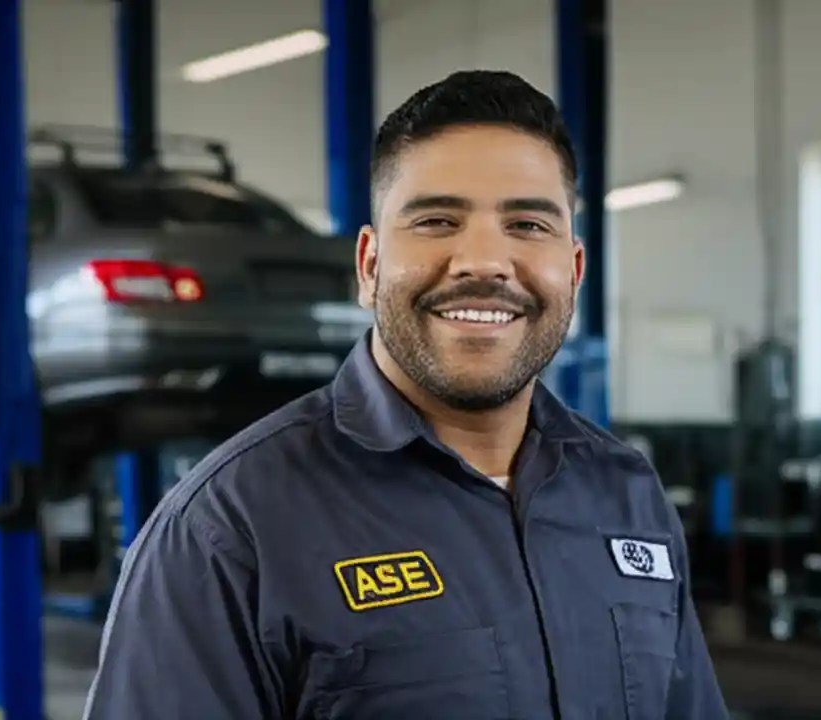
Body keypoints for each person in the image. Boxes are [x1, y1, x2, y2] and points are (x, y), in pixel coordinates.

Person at [84, 69, 729, 720]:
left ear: (575, 270)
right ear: (369, 268)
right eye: (437, 220)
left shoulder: (626, 494)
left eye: (529, 225)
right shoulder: (230, 528)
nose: (483, 261)